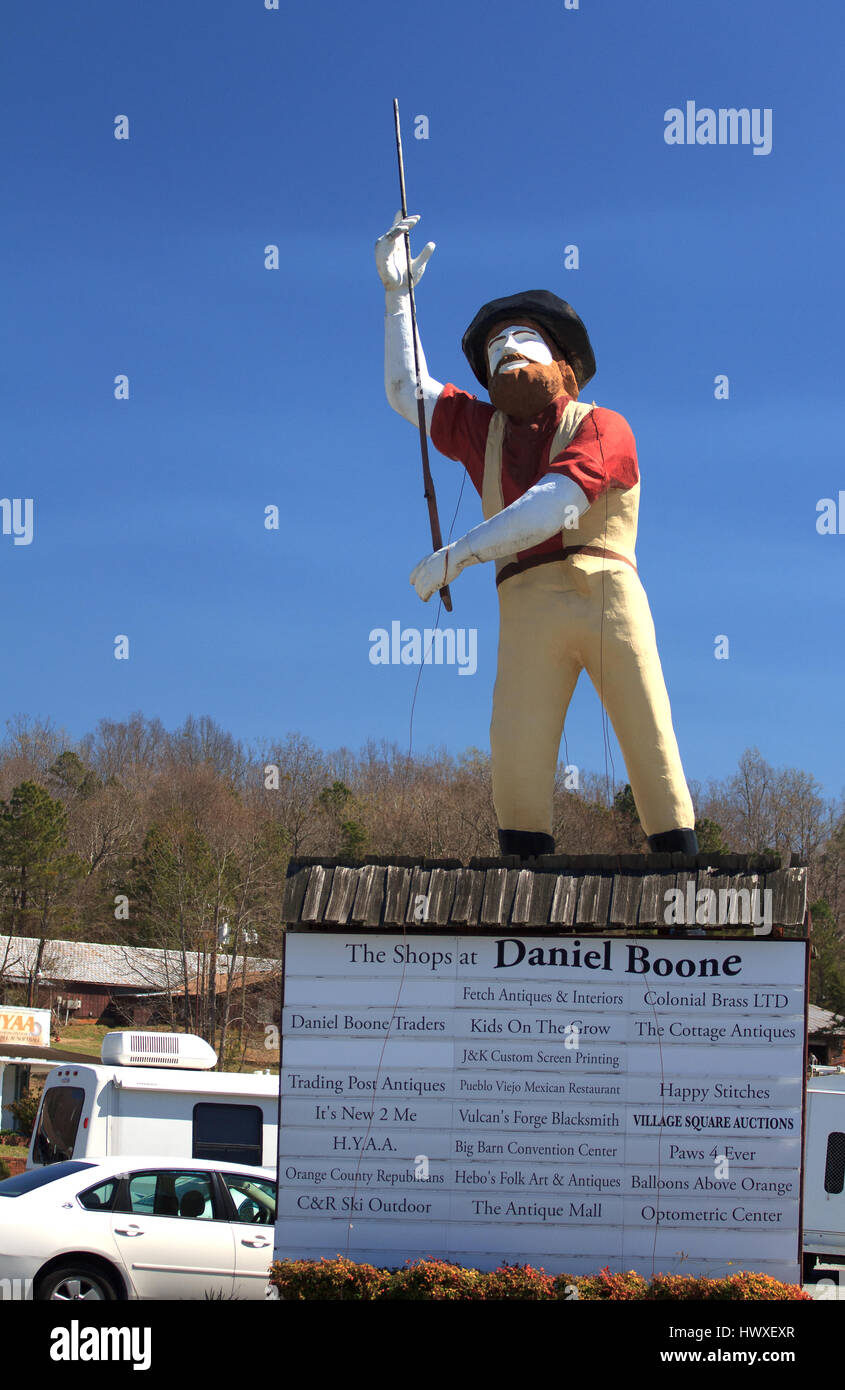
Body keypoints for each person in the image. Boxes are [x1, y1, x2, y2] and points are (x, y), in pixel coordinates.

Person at [376, 211, 698, 859]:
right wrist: (397, 298)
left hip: (603, 595)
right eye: (495, 346)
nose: (505, 349)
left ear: (561, 361)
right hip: (523, 607)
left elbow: (559, 502)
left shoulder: (602, 425)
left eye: (522, 337)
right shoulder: (482, 429)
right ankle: (522, 878)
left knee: (647, 735)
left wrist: (459, 555)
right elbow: (407, 391)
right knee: (516, 750)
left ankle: (679, 869)